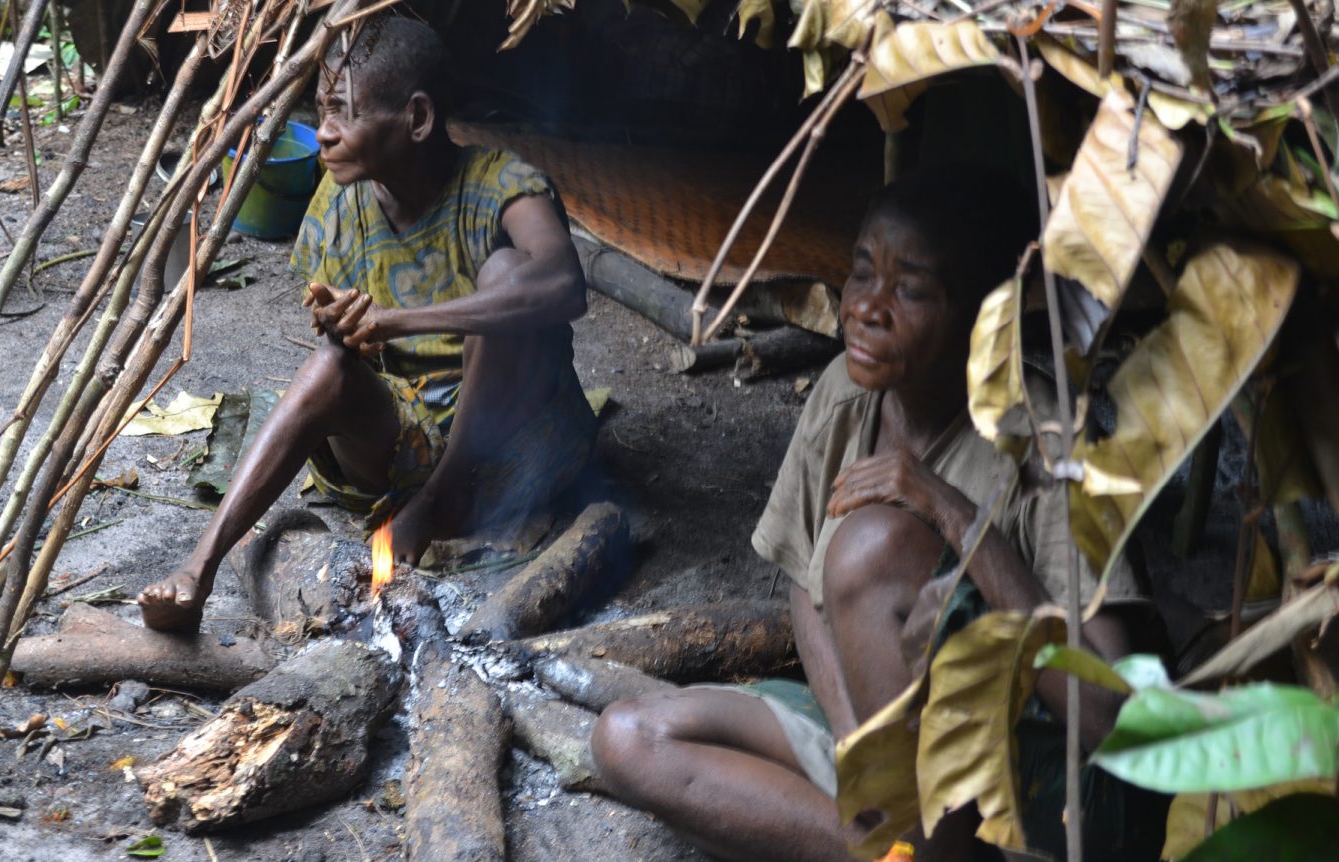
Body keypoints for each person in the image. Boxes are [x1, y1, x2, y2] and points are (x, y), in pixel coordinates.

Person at [589, 172, 1164, 861]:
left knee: (874, 547)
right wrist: (853, 743)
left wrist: (952, 513)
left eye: (910, 290)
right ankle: (897, 850)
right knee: (628, 739)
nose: (866, 307)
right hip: (887, 749)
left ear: (983, 313)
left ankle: (915, 844)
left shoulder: (1047, 447)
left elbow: (1114, 721)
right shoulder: (844, 393)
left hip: (1026, 792)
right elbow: (803, 585)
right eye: (862, 273)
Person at [139, 17, 595, 632]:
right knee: (328, 365)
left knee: (508, 275)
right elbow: (348, 354)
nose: (323, 131)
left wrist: (397, 320)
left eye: (343, 112)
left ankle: (440, 501)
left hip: (506, 449)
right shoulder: (337, 201)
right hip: (398, 451)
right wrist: (342, 324)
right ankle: (199, 568)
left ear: (417, 118)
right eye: (321, 109)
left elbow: (563, 283)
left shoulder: (502, 185)